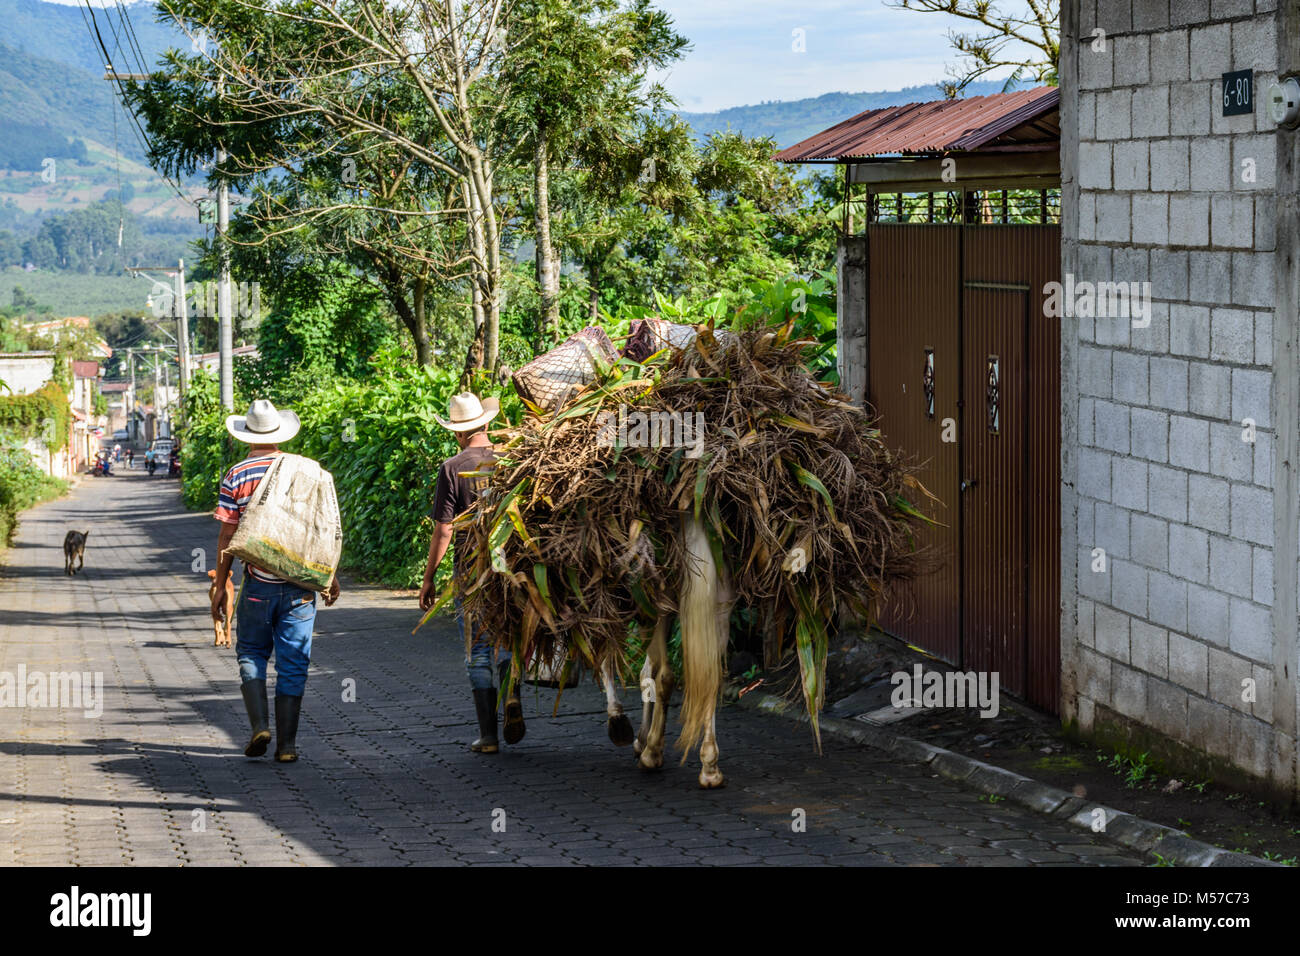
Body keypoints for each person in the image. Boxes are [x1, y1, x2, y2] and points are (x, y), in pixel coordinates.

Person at [211, 399, 340, 762]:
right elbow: (324, 529)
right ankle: (287, 746)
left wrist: (221, 586)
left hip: (257, 586)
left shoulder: (236, 475)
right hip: (300, 586)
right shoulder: (307, 471)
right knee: (293, 661)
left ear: (246, 435)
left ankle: (259, 727)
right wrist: (330, 576)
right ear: (279, 433)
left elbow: (227, 537)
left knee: (251, 652)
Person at [419, 391, 519, 754]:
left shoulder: (452, 467)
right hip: (512, 566)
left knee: (478, 650)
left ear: (460, 433)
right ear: (487, 423)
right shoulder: (512, 458)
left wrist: (429, 578)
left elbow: (444, 529)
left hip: (470, 570)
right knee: (507, 639)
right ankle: (511, 700)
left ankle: (488, 736)